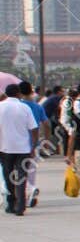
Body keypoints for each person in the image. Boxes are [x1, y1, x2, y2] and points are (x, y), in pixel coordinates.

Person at [0, 84, 36, 216]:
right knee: (21, 177)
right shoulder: (25, 107)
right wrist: (33, 145)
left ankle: (11, 202)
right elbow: (34, 128)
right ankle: (20, 206)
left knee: (7, 176)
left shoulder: (0, 106)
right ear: (18, 93)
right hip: (23, 148)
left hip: (4, 148)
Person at [16, 82, 46, 208]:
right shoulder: (38, 107)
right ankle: (31, 189)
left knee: (18, 172)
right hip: (34, 143)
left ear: (20, 93)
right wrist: (46, 139)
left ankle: (24, 194)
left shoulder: (19, 107)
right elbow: (47, 123)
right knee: (31, 171)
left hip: (19, 143)